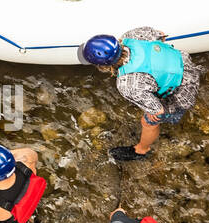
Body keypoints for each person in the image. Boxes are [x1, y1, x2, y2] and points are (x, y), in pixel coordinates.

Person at [79, 28, 200, 161]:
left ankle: (142, 150)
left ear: (103, 67)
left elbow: (158, 111)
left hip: (184, 92)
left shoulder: (127, 84)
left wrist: (151, 114)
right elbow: (161, 35)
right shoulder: (132, 35)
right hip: (185, 62)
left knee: (148, 121)